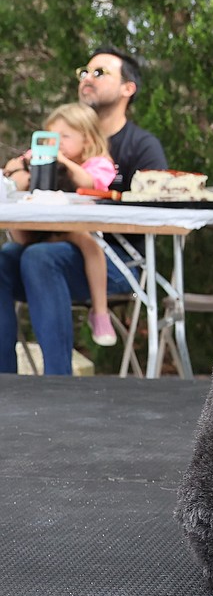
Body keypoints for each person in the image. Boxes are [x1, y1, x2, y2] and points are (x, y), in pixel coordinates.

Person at [0, 47, 167, 375]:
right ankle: (5, 380)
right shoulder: (57, 141)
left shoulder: (140, 146)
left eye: (100, 72)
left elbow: (161, 205)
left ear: (128, 88)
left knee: (40, 258)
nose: (88, 78)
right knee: (5, 258)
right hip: (47, 245)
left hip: (117, 263)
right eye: (84, 72)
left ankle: (58, 383)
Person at [6, 103, 120, 346]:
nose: (56, 143)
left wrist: (61, 161)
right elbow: (14, 168)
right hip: (41, 228)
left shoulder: (97, 163)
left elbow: (90, 183)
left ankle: (100, 311)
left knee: (90, 244)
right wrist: (20, 167)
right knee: (14, 237)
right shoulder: (43, 155)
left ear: (88, 140)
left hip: (78, 229)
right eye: (51, 136)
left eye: (64, 137)